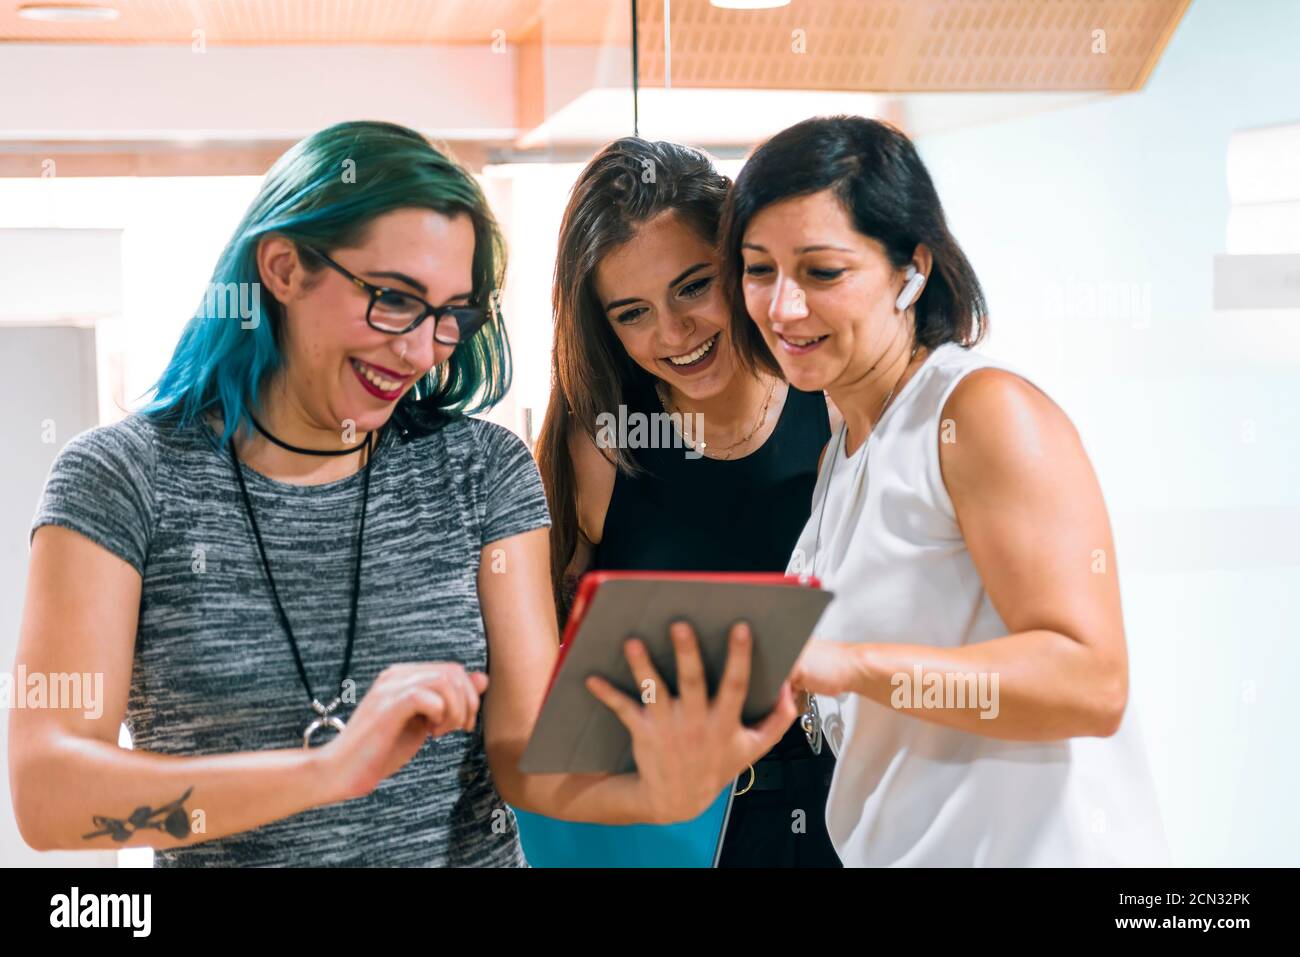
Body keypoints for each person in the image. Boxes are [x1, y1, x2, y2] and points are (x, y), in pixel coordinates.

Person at [9, 120, 795, 867]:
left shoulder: (482, 470)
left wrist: (656, 788)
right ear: (282, 268)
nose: (419, 349)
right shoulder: (121, 477)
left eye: (449, 316)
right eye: (392, 298)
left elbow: (524, 756)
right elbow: (48, 797)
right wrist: (327, 769)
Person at [719, 114, 1169, 866]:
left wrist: (849, 663)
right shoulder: (844, 452)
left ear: (912, 268)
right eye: (759, 268)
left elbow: (1090, 682)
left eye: (822, 272)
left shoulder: (980, 411)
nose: (783, 307)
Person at [529, 137, 840, 867]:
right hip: (670, 832)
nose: (673, 335)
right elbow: (540, 687)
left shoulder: (832, 406)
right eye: (631, 312)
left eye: (694, 287)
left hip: (848, 804)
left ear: (744, 263)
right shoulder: (598, 443)